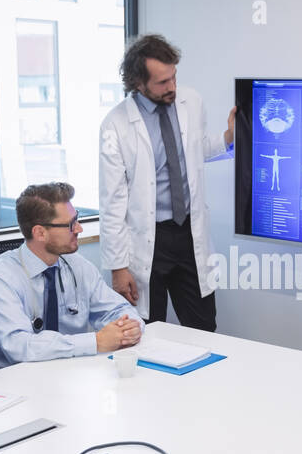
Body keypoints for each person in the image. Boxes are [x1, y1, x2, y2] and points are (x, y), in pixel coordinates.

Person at [98, 33, 235, 331]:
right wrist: (118, 268)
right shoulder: (115, 124)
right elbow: (111, 203)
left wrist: (227, 139)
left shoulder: (192, 101)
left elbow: (194, 151)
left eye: (173, 77)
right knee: (145, 332)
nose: (172, 87)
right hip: (148, 240)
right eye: (162, 83)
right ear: (137, 82)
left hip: (189, 232)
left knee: (204, 329)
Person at [0, 183, 143, 369]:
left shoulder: (78, 266)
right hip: (15, 381)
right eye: (70, 224)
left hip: (71, 375)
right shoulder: (2, 276)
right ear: (40, 232)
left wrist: (129, 327)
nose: (79, 229)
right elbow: (18, 346)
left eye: (77, 219)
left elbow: (119, 309)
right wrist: (95, 342)